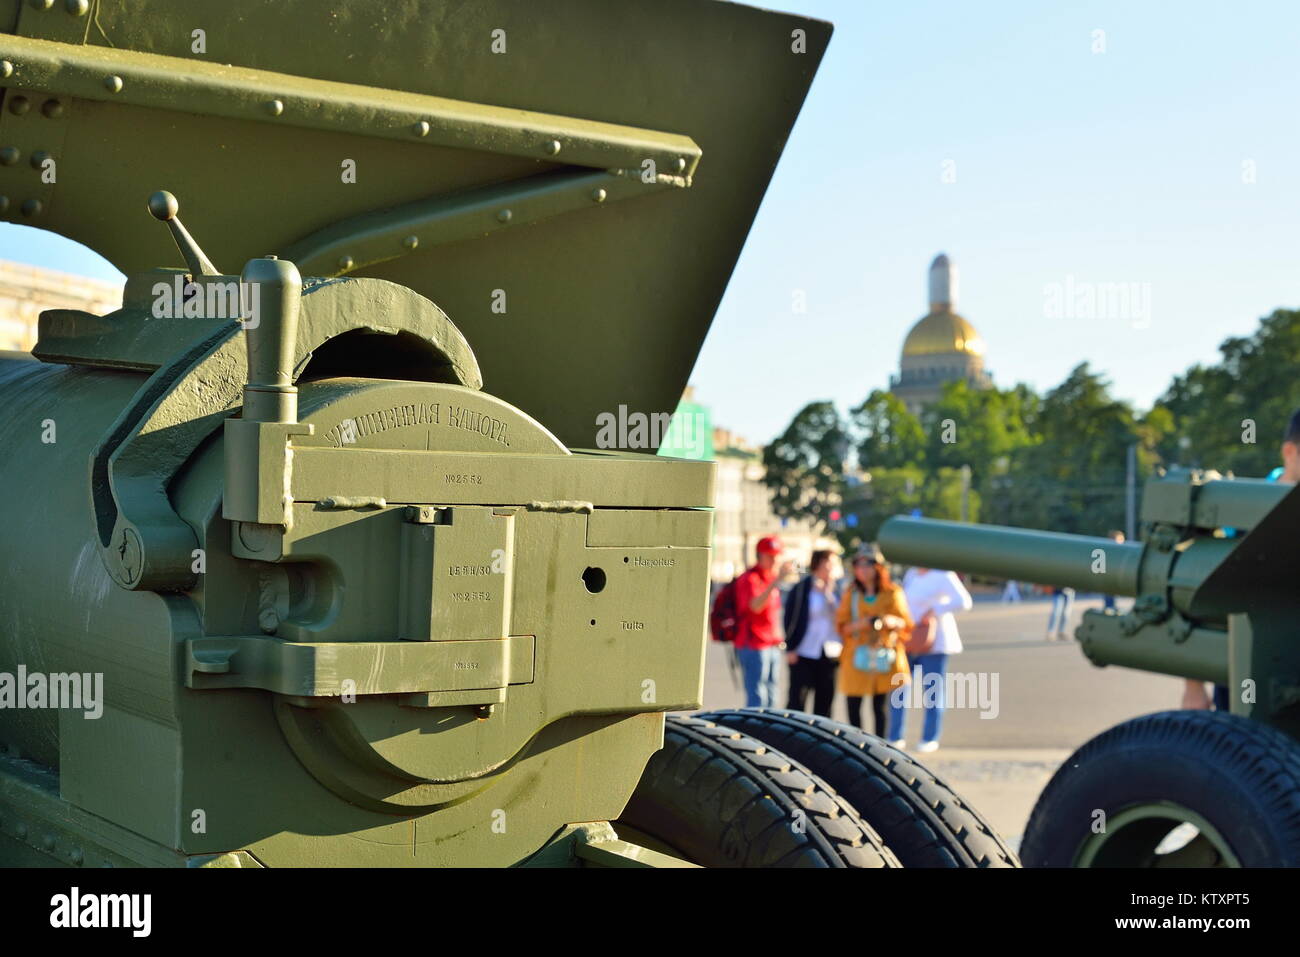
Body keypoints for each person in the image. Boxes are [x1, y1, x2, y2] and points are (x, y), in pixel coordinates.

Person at [1184, 408, 1300, 711]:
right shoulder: (1241, 512)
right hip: (1245, 675)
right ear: (1290, 451)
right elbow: (1194, 588)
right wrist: (1194, 687)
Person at [836, 547, 911, 740]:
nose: (863, 570)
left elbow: (906, 623)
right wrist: (860, 624)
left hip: (883, 653)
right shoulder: (851, 593)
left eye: (867, 565)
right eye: (858, 565)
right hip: (857, 654)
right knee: (853, 703)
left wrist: (889, 621)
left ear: (878, 567)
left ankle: (881, 745)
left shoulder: (892, 592)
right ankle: (857, 744)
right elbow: (841, 626)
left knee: (881, 705)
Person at [897, 566, 973, 753]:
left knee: (933, 692)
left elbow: (963, 601)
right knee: (899, 688)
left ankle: (929, 737)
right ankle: (895, 735)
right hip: (909, 638)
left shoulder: (943, 574)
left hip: (935, 641)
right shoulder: (912, 573)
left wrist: (935, 609)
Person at [733, 535, 794, 708]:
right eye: (770, 556)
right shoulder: (750, 579)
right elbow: (755, 606)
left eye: (777, 556)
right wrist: (776, 582)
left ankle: (770, 732)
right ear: (760, 555)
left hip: (771, 643)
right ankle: (756, 731)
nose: (775, 560)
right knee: (758, 695)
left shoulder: (770, 577)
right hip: (753, 644)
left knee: (772, 692)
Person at [784, 549, 842, 717]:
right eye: (830, 562)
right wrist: (790, 647)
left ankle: (820, 739)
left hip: (830, 651)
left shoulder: (839, 589)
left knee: (825, 702)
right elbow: (790, 618)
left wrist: (828, 594)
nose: (832, 567)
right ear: (819, 563)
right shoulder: (802, 588)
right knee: (797, 701)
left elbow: (842, 618)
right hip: (804, 650)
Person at [1101, 531, 1125, 612]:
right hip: (1108, 579)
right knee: (1109, 598)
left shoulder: (1120, 552)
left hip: (1116, 579)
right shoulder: (1108, 551)